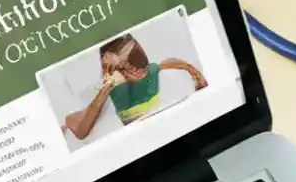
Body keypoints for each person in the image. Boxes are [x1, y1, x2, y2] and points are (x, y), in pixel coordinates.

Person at [63, 34, 207, 141]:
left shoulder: (153, 72)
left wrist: (195, 74)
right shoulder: (113, 92)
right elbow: (79, 128)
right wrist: (108, 86)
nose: (134, 73)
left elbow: (166, 64)